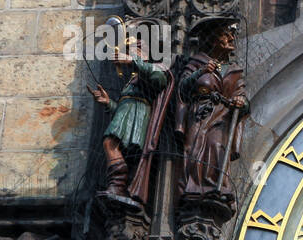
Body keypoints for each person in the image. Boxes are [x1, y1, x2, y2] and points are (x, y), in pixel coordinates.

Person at [89, 25, 169, 202]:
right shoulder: (132, 79)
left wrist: (133, 61)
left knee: (110, 143)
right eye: (130, 51)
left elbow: (159, 80)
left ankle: (118, 186)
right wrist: (108, 102)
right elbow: (122, 107)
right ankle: (119, 186)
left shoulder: (155, 68)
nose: (131, 53)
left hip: (138, 113)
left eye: (136, 49)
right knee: (113, 144)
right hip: (128, 112)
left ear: (146, 54)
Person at [175, 20, 247, 203]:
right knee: (193, 147)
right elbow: (182, 89)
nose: (232, 38)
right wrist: (200, 72)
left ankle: (216, 186)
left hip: (222, 115)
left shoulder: (234, 70)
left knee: (216, 146)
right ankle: (193, 186)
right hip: (199, 113)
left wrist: (240, 101)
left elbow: (243, 99)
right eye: (226, 34)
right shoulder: (197, 62)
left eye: (232, 35)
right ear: (214, 40)